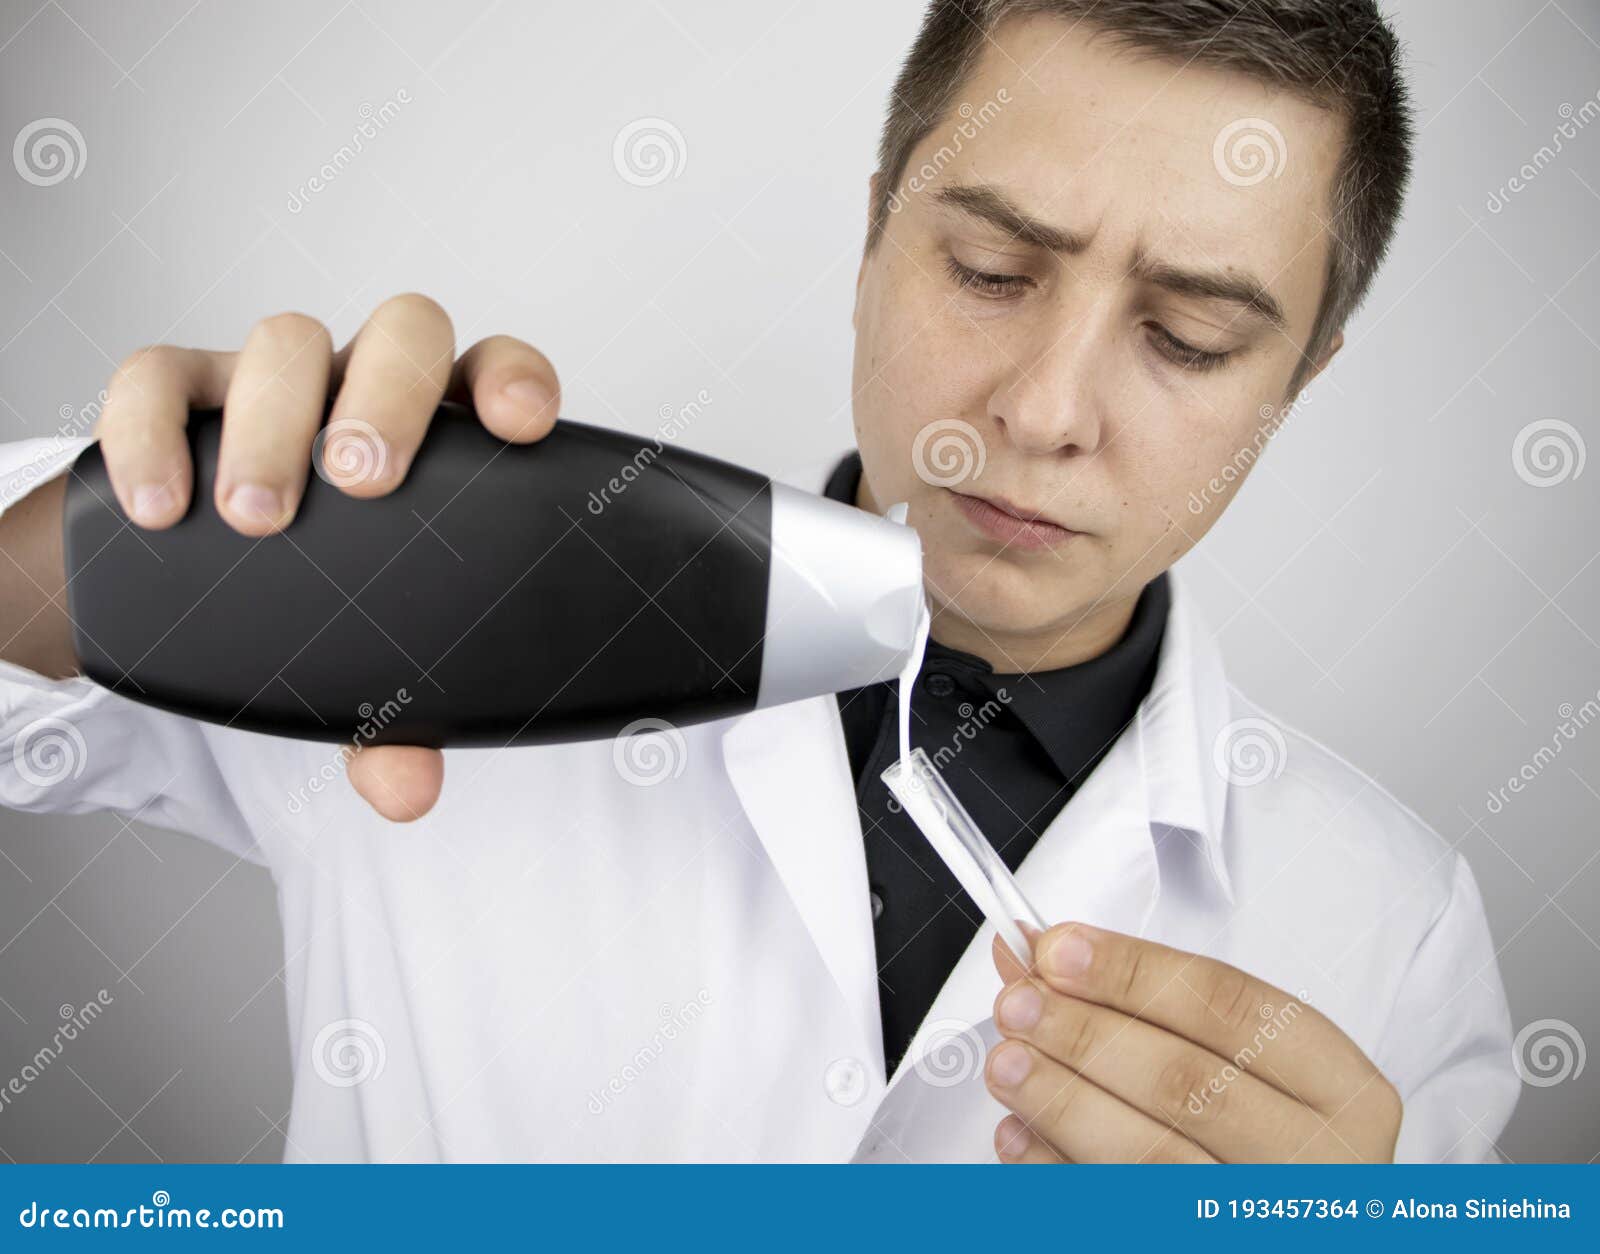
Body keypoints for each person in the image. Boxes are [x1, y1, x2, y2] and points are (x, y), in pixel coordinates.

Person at [0, 0, 1517, 1163]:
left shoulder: (1394, 934)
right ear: (873, 236)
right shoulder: (416, 601)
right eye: (991, 271)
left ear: (1298, 379)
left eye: (1190, 339)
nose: (1047, 410)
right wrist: (157, 523)